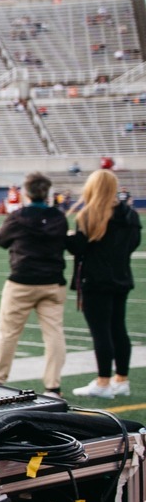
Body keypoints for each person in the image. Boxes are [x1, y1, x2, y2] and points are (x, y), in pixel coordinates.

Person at [0, 172, 69, 395]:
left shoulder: (18, 216)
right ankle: (53, 386)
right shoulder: (58, 217)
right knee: (54, 334)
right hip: (53, 282)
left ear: (26, 192)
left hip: (22, 281)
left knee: (8, 333)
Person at [68, 169, 139, 398]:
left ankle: (103, 382)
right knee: (119, 329)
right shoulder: (130, 215)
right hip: (121, 278)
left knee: (101, 332)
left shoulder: (89, 215)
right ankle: (121, 380)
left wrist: (69, 237)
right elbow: (133, 244)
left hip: (96, 281)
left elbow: (78, 248)